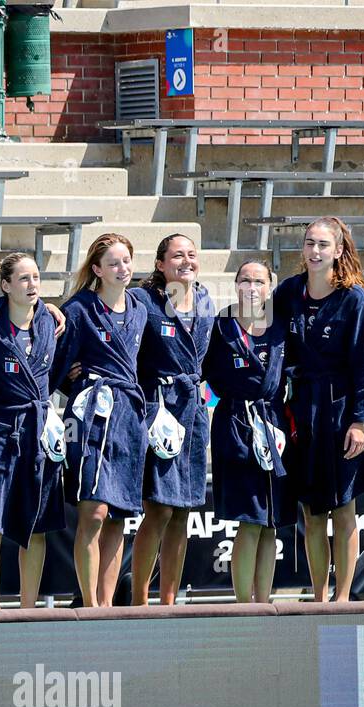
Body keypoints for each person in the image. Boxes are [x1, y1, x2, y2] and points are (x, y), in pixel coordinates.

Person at [275, 217, 364, 602]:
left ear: (338, 250)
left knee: (343, 509)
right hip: (302, 412)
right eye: (309, 243)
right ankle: (319, 596)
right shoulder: (288, 293)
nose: (315, 251)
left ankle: (342, 597)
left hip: (341, 416)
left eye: (323, 244)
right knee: (311, 514)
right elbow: (259, 337)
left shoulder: (354, 300)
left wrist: (361, 421)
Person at [0, 253, 66, 609]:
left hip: (38, 430)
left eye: (36, 277)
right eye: (23, 278)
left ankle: (27, 607)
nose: (32, 284)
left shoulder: (49, 323)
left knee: (36, 526)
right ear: (5, 285)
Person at [58, 233, 149, 608]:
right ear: (97, 269)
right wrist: (73, 382)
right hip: (92, 416)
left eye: (126, 260)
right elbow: (56, 364)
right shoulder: (78, 309)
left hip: (129, 417)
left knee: (117, 517)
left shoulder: (141, 308)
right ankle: (88, 602)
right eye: (113, 263)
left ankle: (106, 604)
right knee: (93, 510)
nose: (121, 268)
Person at [128, 234, 216, 606]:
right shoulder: (142, 300)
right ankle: (138, 599)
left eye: (192, 255)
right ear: (161, 264)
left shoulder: (207, 300)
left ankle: (168, 600)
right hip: (158, 408)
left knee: (182, 511)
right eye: (177, 255)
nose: (186, 261)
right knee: (160, 508)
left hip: (193, 414)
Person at [204, 260, 294, 604]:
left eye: (259, 281)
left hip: (275, 427)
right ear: (236, 284)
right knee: (250, 520)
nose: (252, 287)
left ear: (270, 287)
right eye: (245, 280)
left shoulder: (281, 327)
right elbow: (196, 367)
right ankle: (244, 604)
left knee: (272, 522)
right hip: (236, 427)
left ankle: (265, 600)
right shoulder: (221, 326)